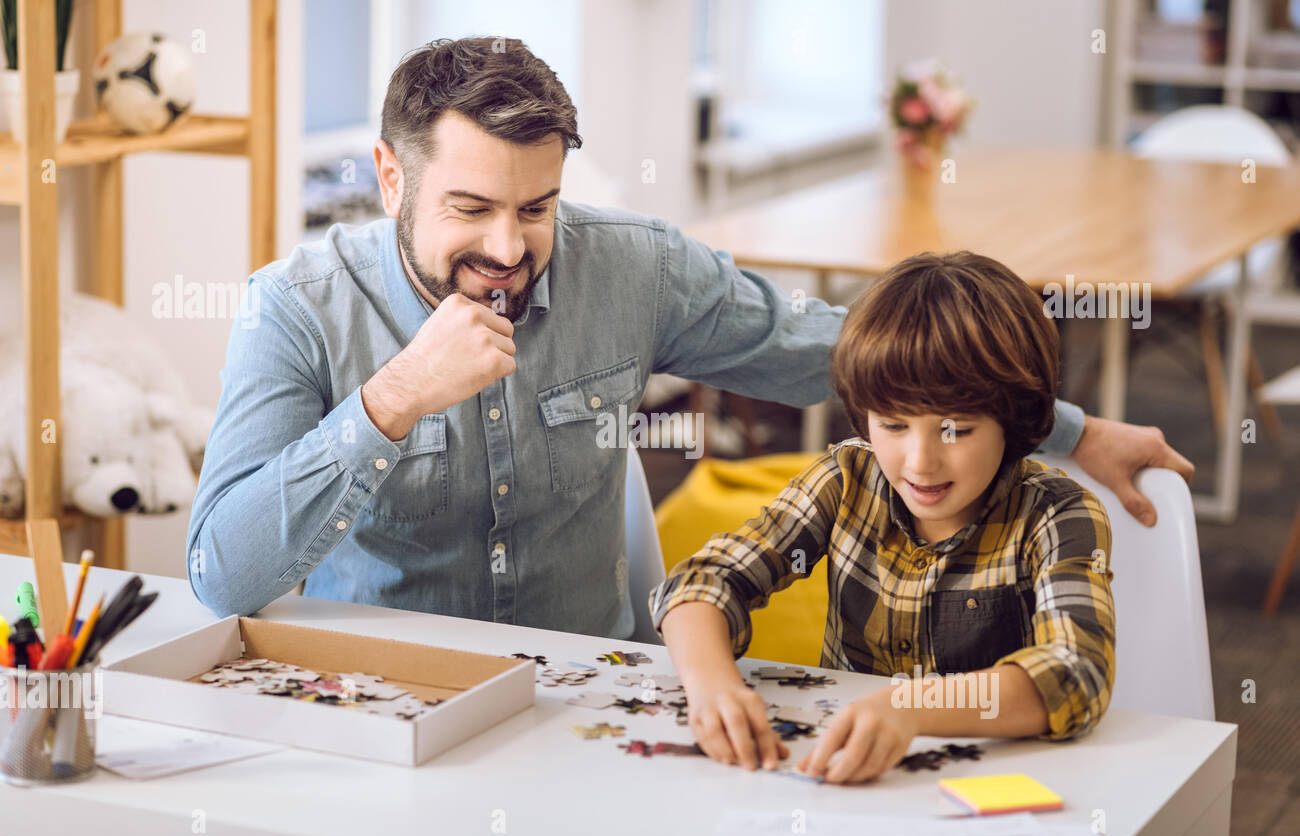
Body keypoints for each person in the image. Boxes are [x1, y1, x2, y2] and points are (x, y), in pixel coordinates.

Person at [187, 36, 1189, 640]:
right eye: (471, 208)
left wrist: (1065, 427)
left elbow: (844, 354)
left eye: (537, 208)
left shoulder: (632, 266)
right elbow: (222, 574)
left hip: (581, 689)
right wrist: (392, 399)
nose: (508, 246)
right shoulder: (296, 306)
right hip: (383, 689)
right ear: (390, 178)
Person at [650, 251, 1117, 784]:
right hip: (850, 780)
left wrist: (911, 707)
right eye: (892, 425)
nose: (920, 462)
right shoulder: (846, 478)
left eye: (956, 431)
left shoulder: (1058, 513)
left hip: (1001, 783)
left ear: (1016, 421)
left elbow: (1076, 672)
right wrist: (715, 688)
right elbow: (703, 581)